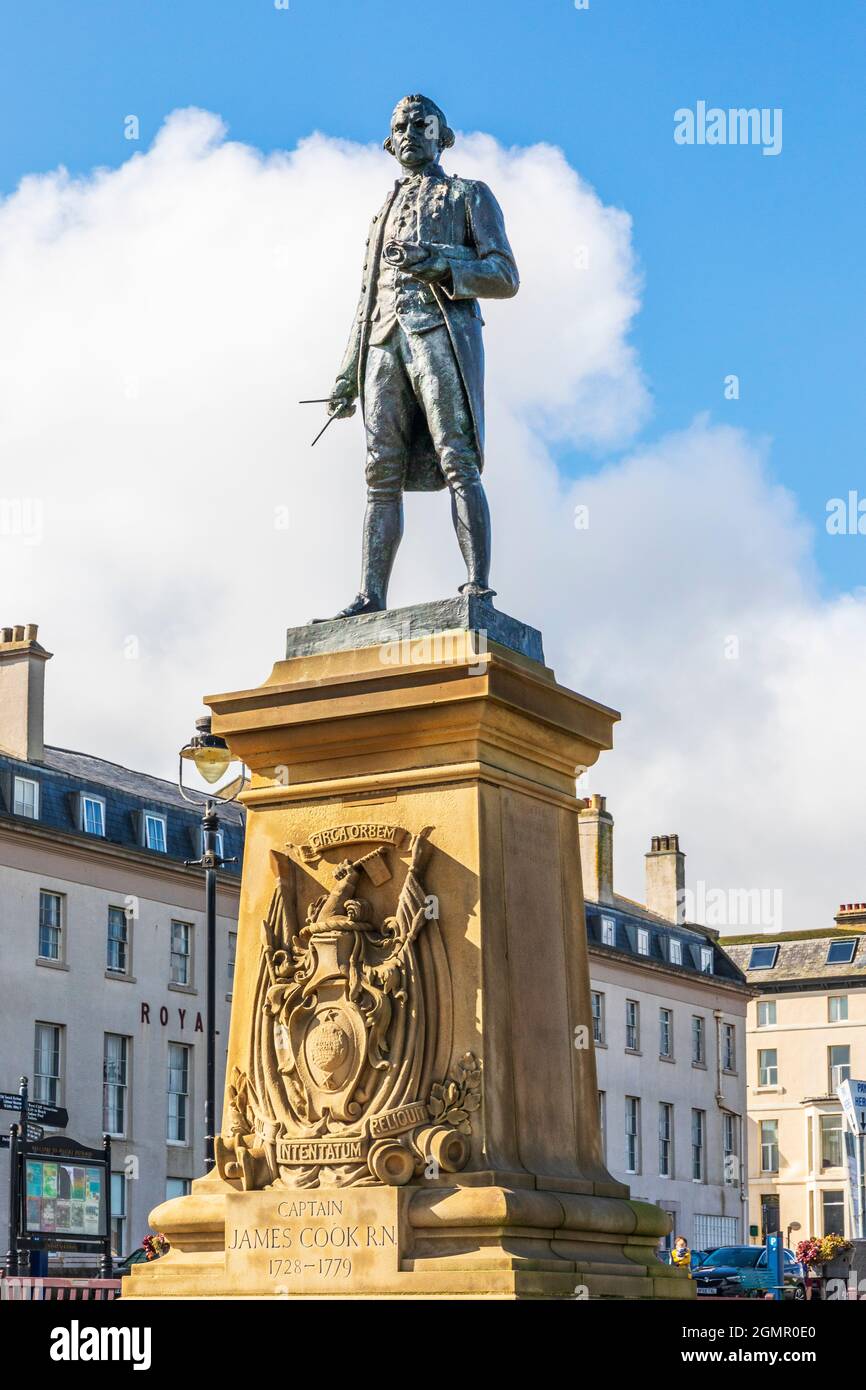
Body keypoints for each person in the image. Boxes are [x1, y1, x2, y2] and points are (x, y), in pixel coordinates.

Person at [324, 93, 519, 618]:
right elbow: (366, 298)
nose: (409, 133)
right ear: (390, 142)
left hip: (438, 335)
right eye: (400, 127)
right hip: (383, 343)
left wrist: (437, 263)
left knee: (459, 458)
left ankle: (477, 588)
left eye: (420, 124)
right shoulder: (381, 212)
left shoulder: (468, 195)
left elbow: (505, 275)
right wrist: (346, 374)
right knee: (378, 471)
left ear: (441, 136)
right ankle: (370, 596)